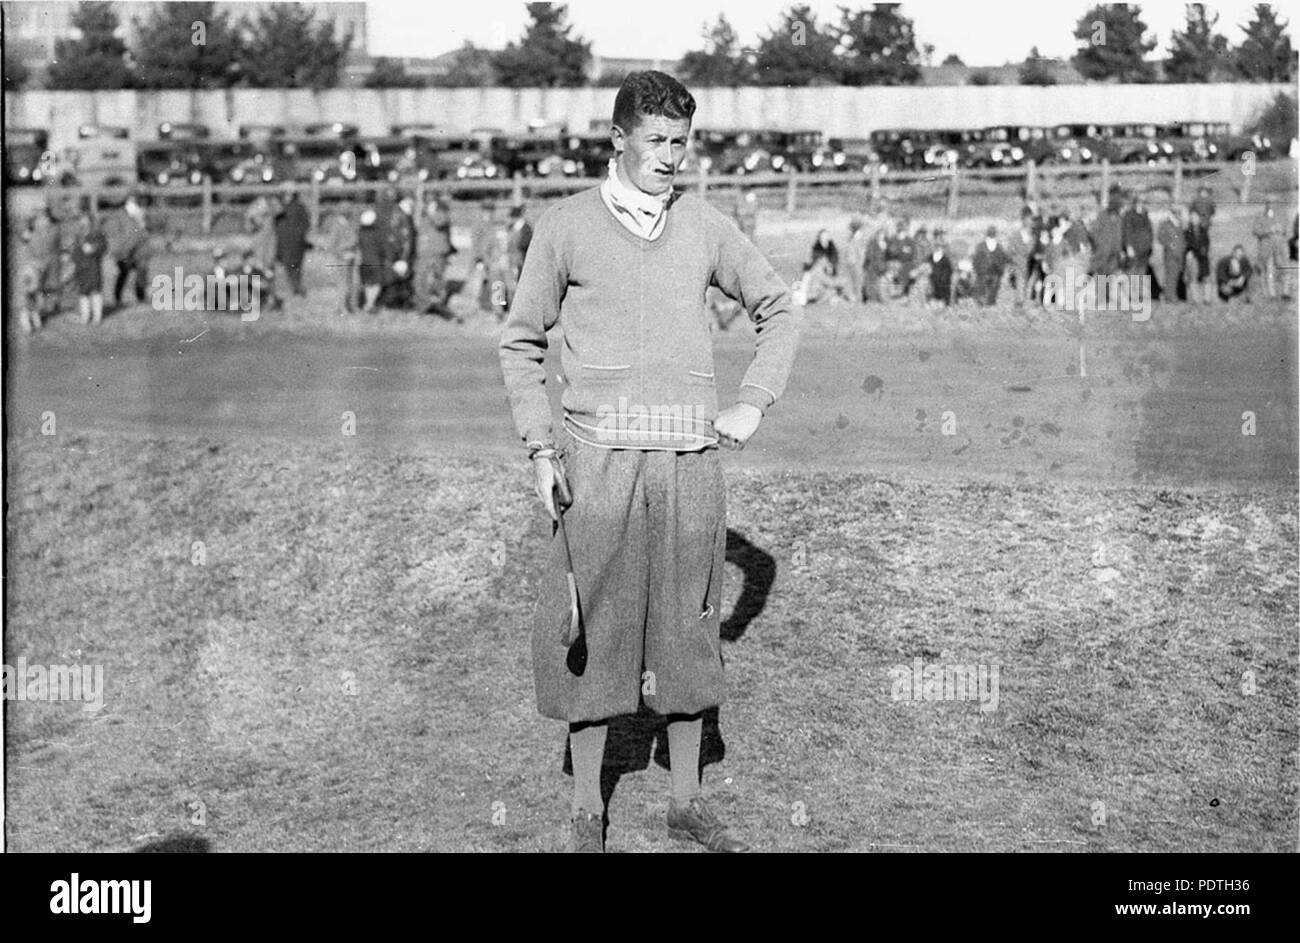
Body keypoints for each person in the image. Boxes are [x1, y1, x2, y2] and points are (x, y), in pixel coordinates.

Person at [498, 70, 800, 854]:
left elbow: (777, 309)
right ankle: (586, 812)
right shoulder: (564, 227)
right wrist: (539, 445)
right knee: (592, 630)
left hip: (689, 460)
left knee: (690, 631)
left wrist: (752, 401)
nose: (670, 158)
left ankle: (687, 802)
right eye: (657, 141)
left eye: (681, 143)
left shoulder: (703, 226)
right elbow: (521, 340)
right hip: (595, 463)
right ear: (618, 139)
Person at [104, 195, 151, 309]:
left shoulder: (140, 215)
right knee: (124, 273)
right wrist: (121, 250)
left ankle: (141, 296)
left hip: (139, 250)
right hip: (124, 250)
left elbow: (143, 233)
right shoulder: (119, 216)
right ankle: (117, 298)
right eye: (131, 202)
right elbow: (116, 234)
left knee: (141, 271)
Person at [71, 212, 108, 325]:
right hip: (80, 268)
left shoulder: (97, 233)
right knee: (83, 293)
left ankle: (97, 317)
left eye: (85, 219)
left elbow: (104, 246)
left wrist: (94, 248)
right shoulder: (78, 235)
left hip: (93, 266)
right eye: (80, 220)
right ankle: (85, 317)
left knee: (96, 291)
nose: (83, 222)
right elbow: (74, 252)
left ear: (90, 221)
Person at [273, 184, 311, 298]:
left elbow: (306, 224)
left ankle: (297, 287)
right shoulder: (279, 208)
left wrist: (299, 234)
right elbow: (275, 224)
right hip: (283, 242)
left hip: (296, 242)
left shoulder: (299, 207)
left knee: (296, 265)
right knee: (288, 265)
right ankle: (295, 287)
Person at [422, 197, 455, 317]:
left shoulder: (440, 216)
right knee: (431, 277)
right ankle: (432, 302)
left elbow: (439, 223)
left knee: (437, 277)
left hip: (438, 252)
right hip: (433, 252)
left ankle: (438, 303)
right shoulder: (432, 217)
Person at [972, 226, 1010, 305]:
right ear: (995, 234)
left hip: (983, 273)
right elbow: (1004, 259)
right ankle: (989, 302)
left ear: (986, 234)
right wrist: (1001, 270)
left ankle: (983, 301)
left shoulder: (980, 246)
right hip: (994, 273)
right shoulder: (999, 246)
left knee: (982, 291)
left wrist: (977, 270)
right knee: (992, 292)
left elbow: (975, 260)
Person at [1252, 202, 1283, 299]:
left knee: (1271, 271)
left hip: (1275, 249)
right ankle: (1266, 293)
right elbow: (1256, 231)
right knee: (1265, 271)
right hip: (1264, 249)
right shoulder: (1260, 218)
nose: (1271, 209)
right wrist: (1268, 230)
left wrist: (1279, 229)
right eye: (1269, 206)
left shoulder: (1276, 218)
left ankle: (1271, 292)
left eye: (1273, 207)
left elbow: (1282, 230)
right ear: (1266, 207)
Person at [357, 208, 384, 313]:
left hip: (364, 261)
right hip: (375, 261)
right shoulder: (376, 233)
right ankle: (370, 304)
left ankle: (368, 303)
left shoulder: (360, 233)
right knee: (377, 284)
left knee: (368, 284)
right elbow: (381, 246)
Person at [1157, 208, 1186, 302]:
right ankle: (1169, 296)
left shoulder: (1179, 224)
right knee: (1170, 274)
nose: (1178, 215)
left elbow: (1182, 238)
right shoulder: (1165, 224)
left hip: (1179, 253)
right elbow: (1160, 237)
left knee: (1176, 274)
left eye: (1179, 213)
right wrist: (1169, 244)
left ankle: (1172, 294)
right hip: (1170, 253)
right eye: (1176, 213)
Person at [1184, 209, 1211, 305]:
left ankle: (1207, 299)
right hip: (1194, 256)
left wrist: (1205, 250)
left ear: (1199, 218)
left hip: (1203, 257)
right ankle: (1195, 299)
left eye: (1196, 217)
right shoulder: (1188, 231)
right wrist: (1193, 251)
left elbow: (1207, 242)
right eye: (1192, 218)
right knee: (1193, 277)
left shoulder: (1203, 230)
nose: (1194, 219)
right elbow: (1188, 244)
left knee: (1206, 278)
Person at [844, 217, 868, 303]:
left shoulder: (856, 238)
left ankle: (857, 300)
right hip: (854, 263)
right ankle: (856, 299)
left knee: (856, 284)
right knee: (855, 284)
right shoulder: (855, 238)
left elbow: (861, 252)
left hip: (855, 263)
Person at [927, 233, 954, 307]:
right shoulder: (929, 258)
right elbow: (926, 268)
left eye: (940, 246)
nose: (938, 248)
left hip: (942, 287)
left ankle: (942, 302)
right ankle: (931, 300)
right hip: (932, 285)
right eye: (936, 246)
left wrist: (939, 279)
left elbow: (947, 274)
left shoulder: (946, 260)